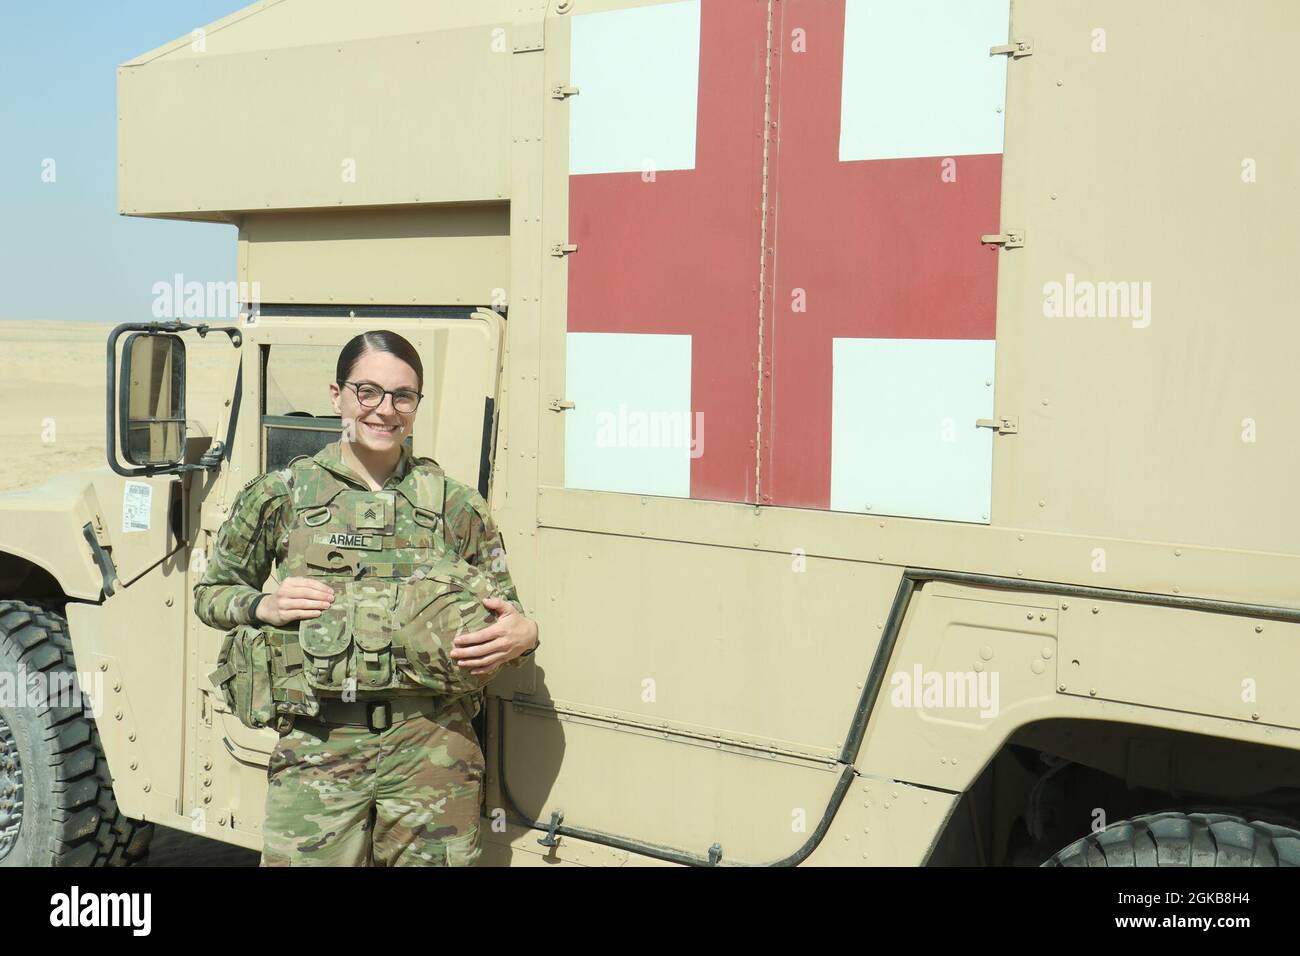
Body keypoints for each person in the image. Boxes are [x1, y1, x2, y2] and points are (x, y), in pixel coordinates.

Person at [193, 329, 539, 866]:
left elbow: (508, 612)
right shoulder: (281, 495)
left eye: (403, 396)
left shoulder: (454, 504)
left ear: (417, 405)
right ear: (338, 396)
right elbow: (211, 594)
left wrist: (525, 634)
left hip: (432, 746)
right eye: (368, 392)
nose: (385, 410)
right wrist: (263, 605)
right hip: (319, 744)